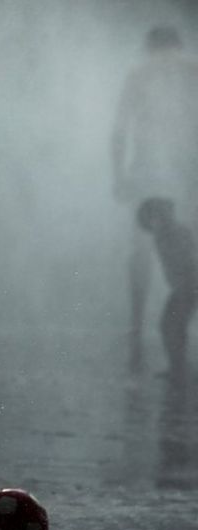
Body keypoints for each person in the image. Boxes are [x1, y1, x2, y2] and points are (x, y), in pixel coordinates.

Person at [111, 25, 198, 371]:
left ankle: (136, 323)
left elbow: (119, 130)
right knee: (190, 241)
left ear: (149, 46)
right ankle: (184, 312)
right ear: (177, 43)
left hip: (147, 167)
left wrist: (118, 176)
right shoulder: (193, 68)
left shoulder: (139, 72)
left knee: (141, 248)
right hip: (189, 166)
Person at [136, 197, 197, 383]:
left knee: (170, 326)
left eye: (156, 216)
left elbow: (188, 260)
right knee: (172, 326)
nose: (153, 221)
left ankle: (178, 370)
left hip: (188, 286)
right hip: (184, 286)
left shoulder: (176, 233)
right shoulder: (164, 235)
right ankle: (177, 369)